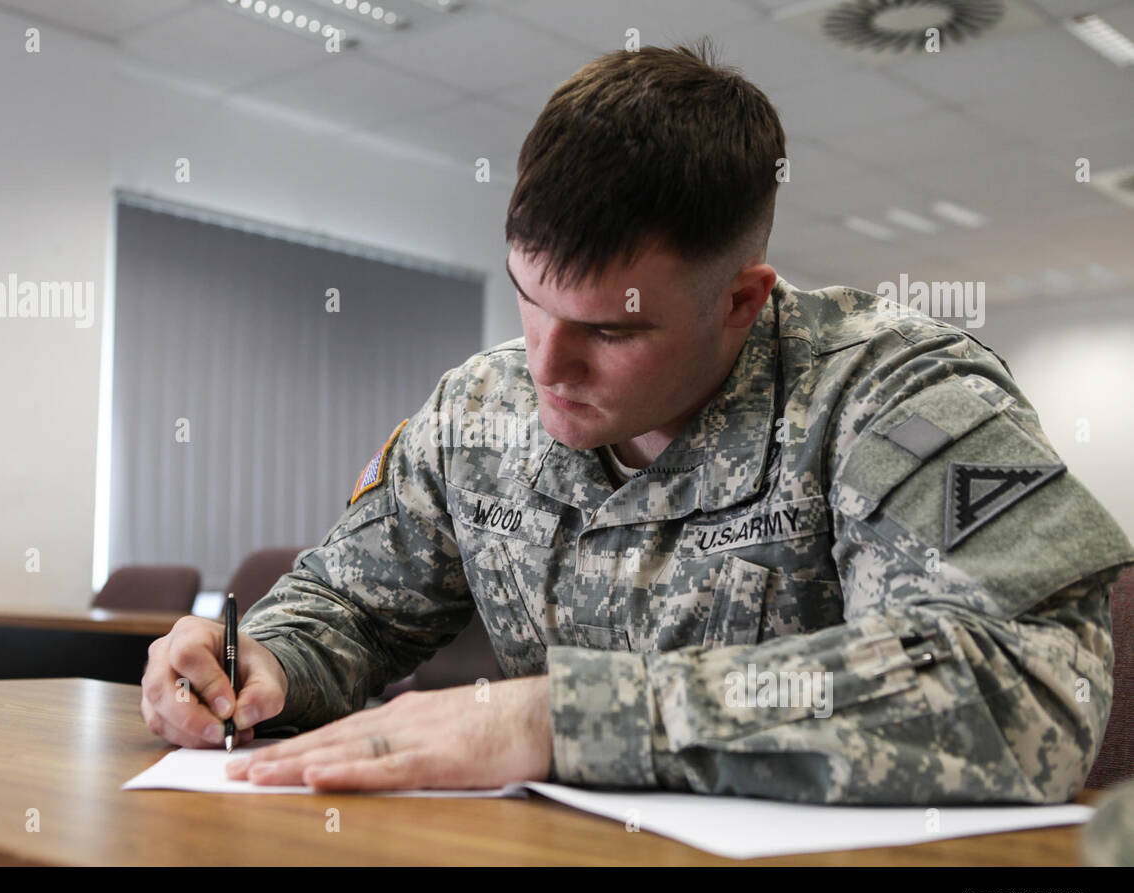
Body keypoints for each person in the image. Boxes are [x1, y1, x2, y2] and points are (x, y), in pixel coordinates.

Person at [140, 41, 1134, 803]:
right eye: (528, 298)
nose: (545, 364)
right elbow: (351, 606)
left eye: (612, 330)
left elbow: (1023, 693)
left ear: (741, 301)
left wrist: (569, 715)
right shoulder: (477, 412)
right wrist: (259, 659)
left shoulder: (895, 397)